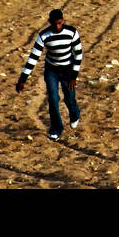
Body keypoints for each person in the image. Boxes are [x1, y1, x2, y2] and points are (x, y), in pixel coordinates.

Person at [16, 8, 83, 140]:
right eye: (54, 23)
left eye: (59, 23)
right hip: (51, 70)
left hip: (68, 69)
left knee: (69, 97)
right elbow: (33, 58)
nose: (57, 26)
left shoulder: (72, 32)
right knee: (53, 99)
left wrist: (74, 76)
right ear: (49, 22)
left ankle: (75, 114)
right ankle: (57, 128)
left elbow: (78, 53)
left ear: (63, 21)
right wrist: (22, 79)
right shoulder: (43, 36)